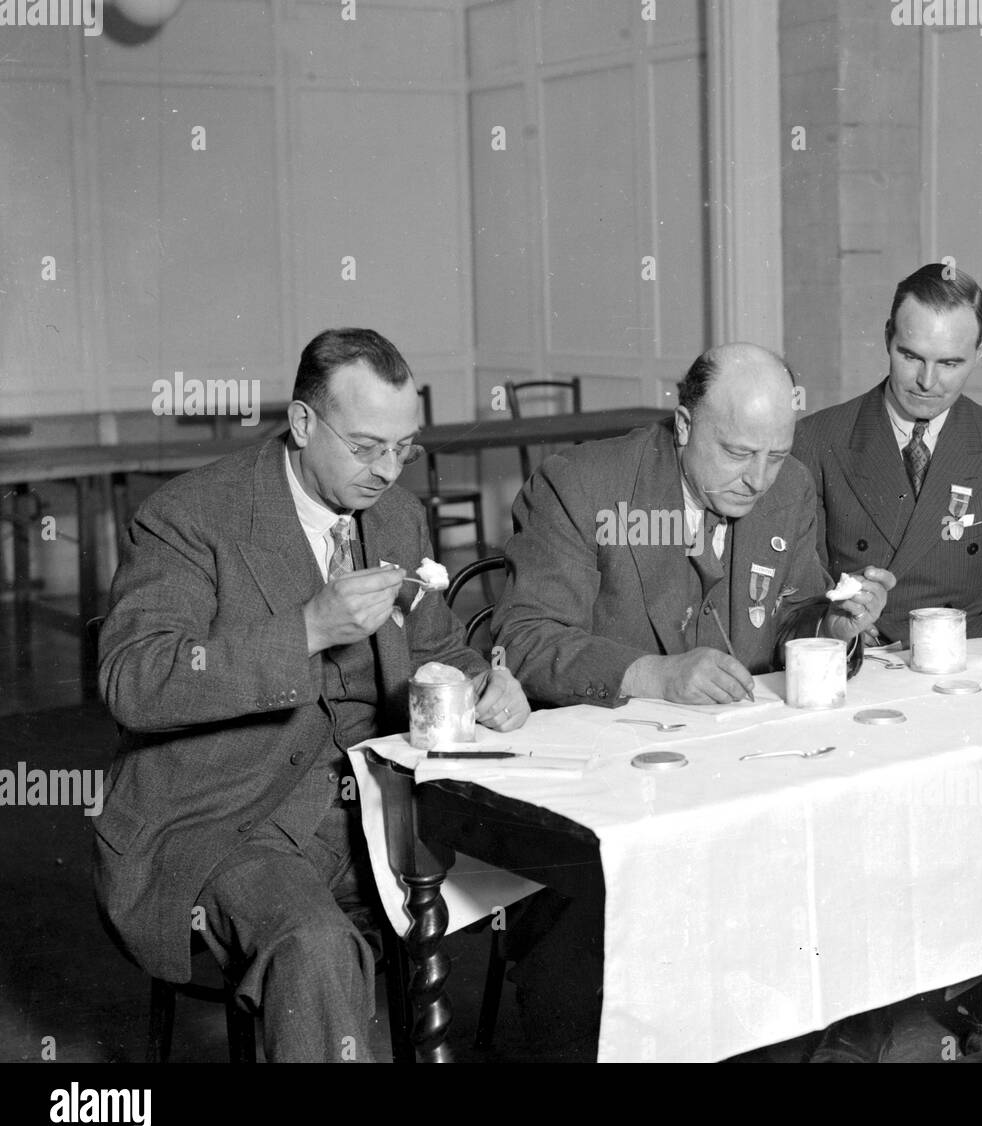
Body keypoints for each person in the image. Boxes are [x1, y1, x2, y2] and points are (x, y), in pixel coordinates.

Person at [94, 328, 528, 1062]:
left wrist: (484, 679)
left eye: (405, 447)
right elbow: (134, 679)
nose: (388, 471)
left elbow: (439, 647)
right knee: (317, 949)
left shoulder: (391, 514)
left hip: (378, 802)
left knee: (564, 871)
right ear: (301, 424)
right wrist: (306, 629)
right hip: (233, 813)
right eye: (365, 447)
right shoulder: (192, 516)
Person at [492, 341, 894, 707]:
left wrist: (830, 626)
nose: (758, 480)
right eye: (738, 453)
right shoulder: (580, 486)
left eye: (775, 456)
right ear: (684, 425)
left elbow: (790, 617)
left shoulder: (791, 486)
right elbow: (525, 640)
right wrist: (653, 674)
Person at [793, 263, 982, 643]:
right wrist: (843, 630)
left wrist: (938, 645)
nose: (927, 382)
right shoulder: (816, 438)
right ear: (888, 337)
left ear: (981, 351)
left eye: (950, 363)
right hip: (858, 658)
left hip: (962, 660)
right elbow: (801, 592)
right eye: (911, 357)